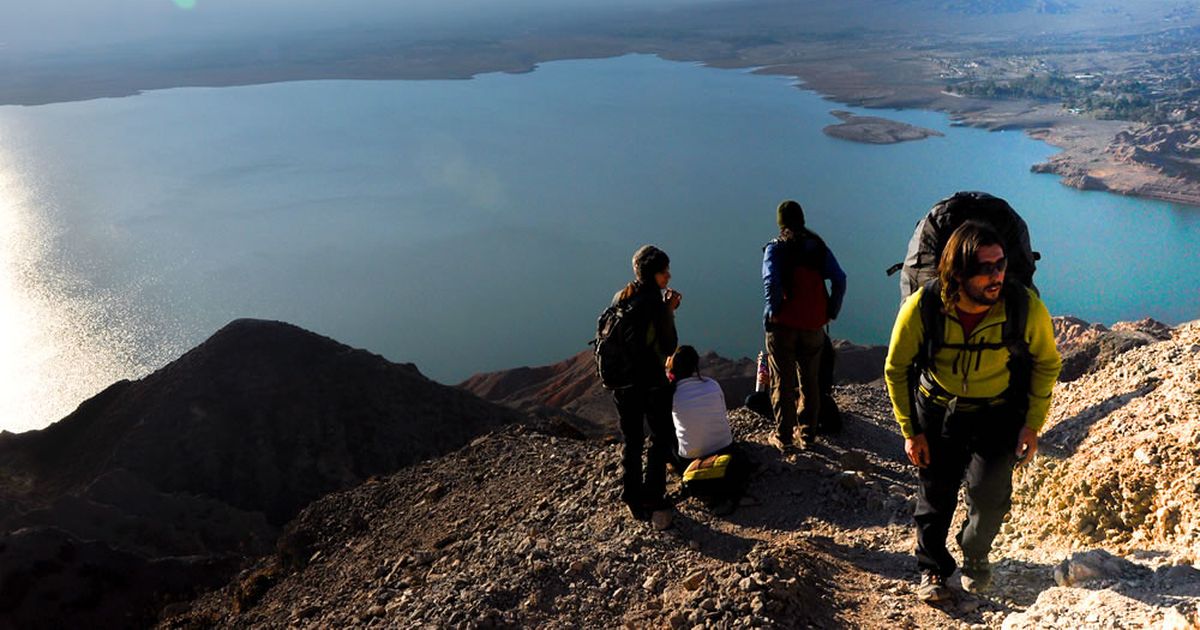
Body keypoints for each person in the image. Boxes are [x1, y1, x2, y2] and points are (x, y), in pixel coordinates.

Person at [883, 220, 1061, 603]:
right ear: (958, 271)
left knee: (991, 494)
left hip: (998, 412)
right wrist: (910, 431)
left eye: (1000, 265)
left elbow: (1047, 362)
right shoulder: (925, 306)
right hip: (938, 411)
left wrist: (1032, 426)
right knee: (936, 493)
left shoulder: (1022, 307)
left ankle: (975, 552)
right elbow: (895, 368)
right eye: (985, 268)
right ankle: (932, 568)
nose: (997, 275)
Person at [762, 200, 847, 450]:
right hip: (814, 326)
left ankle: (785, 437)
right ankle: (808, 434)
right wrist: (831, 310)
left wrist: (772, 311)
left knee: (782, 380)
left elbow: (771, 282)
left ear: (781, 223)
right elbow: (840, 279)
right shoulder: (817, 246)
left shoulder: (776, 248)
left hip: (783, 326)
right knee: (810, 379)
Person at [610, 245, 682, 523]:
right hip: (649, 382)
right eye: (665, 272)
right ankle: (653, 496)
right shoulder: (654, 304)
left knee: (632, 439)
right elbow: (669, 346)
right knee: (660, 436)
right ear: (653, 274)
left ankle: (631, 495)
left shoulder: (622, 296)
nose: (669, 276)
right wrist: (669, 311)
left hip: (622, 382)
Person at [667, 345, 746, 515]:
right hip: (725, 448)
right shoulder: (712, 384)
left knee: (667, 434)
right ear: (696, 365)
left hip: (690, 458)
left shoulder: (671, 394)